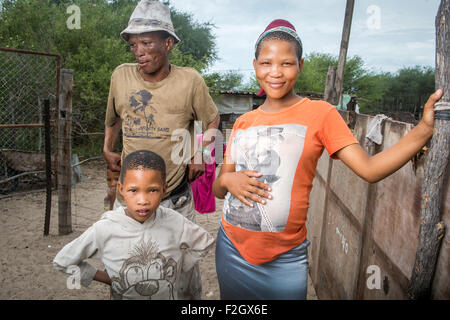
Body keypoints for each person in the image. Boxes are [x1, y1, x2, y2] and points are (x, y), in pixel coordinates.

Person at [212, 19, 443, 300]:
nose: (275, 72)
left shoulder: (320, 114)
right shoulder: (244, 122)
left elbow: (369, 169)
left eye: (286, 63)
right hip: (231, 247)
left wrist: (423, 130)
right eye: (266, 63)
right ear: (255, 65)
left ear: (301, 65)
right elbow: (219, 189)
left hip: (284, 257)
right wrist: (228, 178)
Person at [102, 0, 220, 299]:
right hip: (128, 201)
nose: (138, 51)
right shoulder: (120, 75)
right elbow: (113, 118)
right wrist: (107, 147)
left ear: (168, 43)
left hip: (174, 199)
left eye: (146, 43)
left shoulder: (190, 80)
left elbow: (212, 119)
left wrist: (198, 154)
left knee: (181, 276)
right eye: (133, 44)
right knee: (125, 273)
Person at [53, 150, 215, 300]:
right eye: (133, 190)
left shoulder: (175, 221)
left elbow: (204, 242)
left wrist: (175, 269)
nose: (143, 200)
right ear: (121, 189)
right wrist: (110, 280)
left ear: (164, 190)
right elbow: (64, 261)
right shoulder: (105, 228)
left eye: (152, 190)